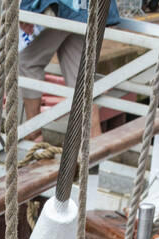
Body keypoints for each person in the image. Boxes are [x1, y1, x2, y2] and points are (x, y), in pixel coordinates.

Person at [19, 0, 120, 140]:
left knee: (28, 62)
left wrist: (28, 8)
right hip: (87, 10)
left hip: (62, 8)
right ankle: (93, 139)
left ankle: (33, 133)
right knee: (79, 77)